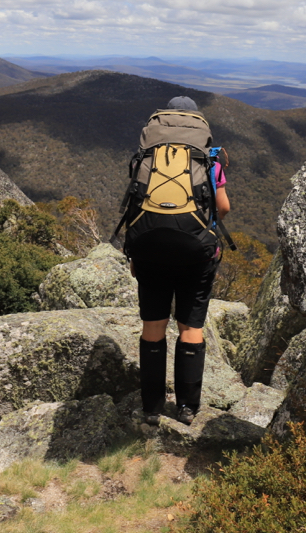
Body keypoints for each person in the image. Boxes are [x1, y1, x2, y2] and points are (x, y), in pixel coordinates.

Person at [126, 95, 230, 426]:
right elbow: (223, 208)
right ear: (197, 124)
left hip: (150, 249)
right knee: (191, 327)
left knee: (153, 326)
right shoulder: (209, 160)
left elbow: (134, 204)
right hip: (195, 253)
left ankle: (152, 408)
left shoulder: (146, 156)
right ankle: (186, 408)